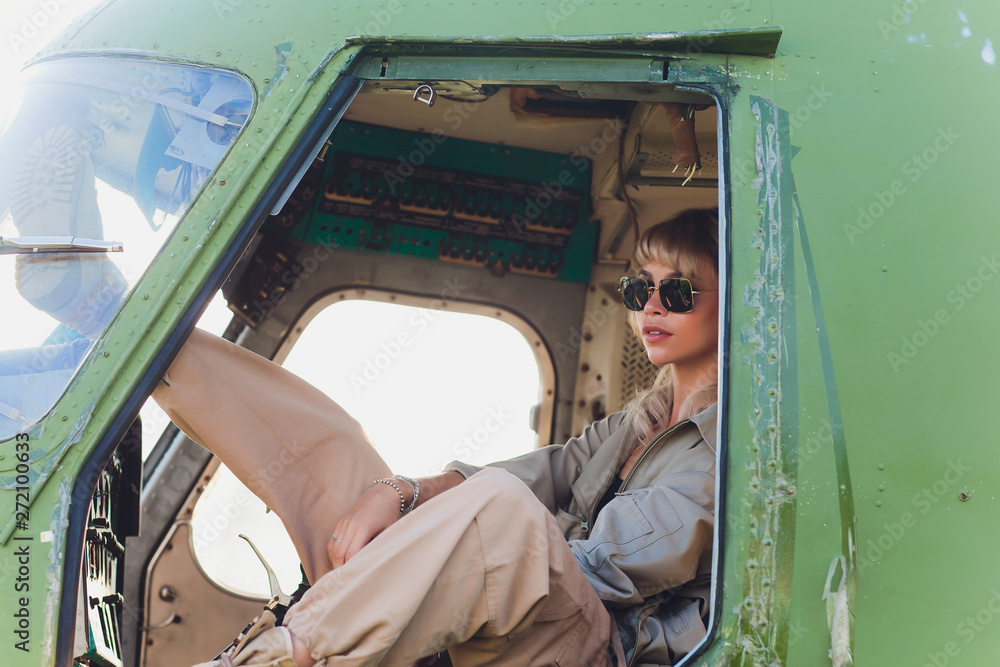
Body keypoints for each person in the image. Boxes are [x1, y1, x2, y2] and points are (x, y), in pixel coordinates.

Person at [152, 207, 720, 666]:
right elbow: (532, 476)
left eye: (678, 293)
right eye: (640, 288)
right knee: (344, 458)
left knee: (501, 515)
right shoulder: (635, 423)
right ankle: (150, 349)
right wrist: (402, 495)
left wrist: (427, 579)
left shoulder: (731, 450)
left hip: (600, 649)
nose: (650, 306)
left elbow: (598, 566)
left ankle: (279, 656)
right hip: (531, 620)